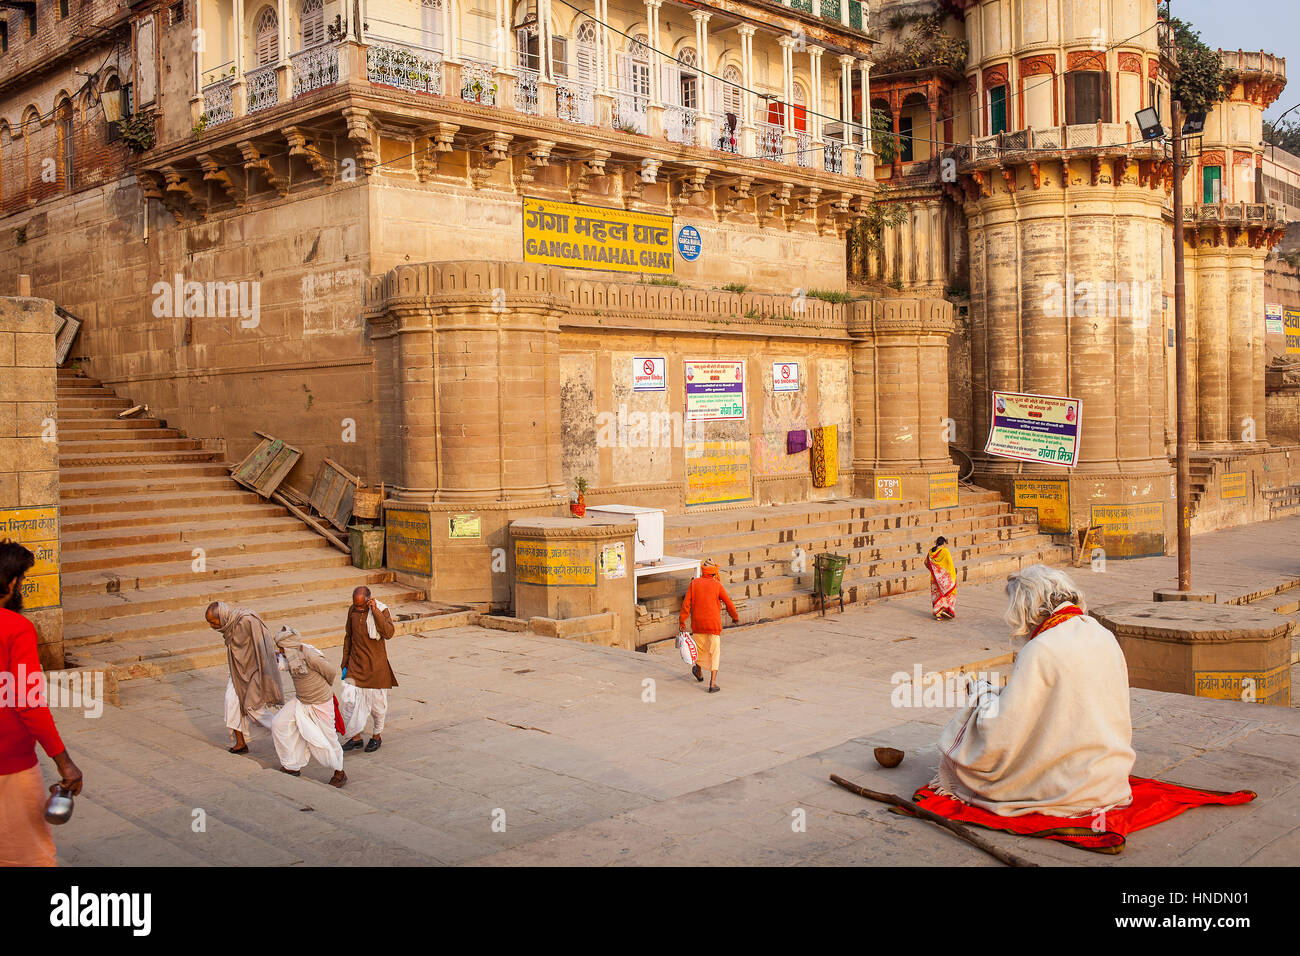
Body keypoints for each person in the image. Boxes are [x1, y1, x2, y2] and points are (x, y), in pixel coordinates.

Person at [933, 564, 1136, 817]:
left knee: (974, 721)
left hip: (1068, 785)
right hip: (1111, 777)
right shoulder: (1101, 632)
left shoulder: (1041, 648)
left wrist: (982, 694)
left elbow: (1003, 727)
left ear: (1025, 606)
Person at [0, 541, 83, 867]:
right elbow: (29, 703)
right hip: (9, 765)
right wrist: (65, 764)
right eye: (22, 580)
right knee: (31, 858)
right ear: (9, 583)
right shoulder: (15, 628)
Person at [270, 627, 346, 787]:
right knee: (279, 724)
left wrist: (319, 688)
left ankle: (340, 772)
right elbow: (284, 665)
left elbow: (330, 673)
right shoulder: (290, 655)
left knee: (328, 738)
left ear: (289, 647)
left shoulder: (311, 655)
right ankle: (291, 766)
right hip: (301, 701)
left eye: (282, 649)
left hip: (320, 702)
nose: (281, 651)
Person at [205, 601, 284, 754]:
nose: (212, 626)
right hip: (237, 670)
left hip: (256, 670)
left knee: (253, 708)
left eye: (213, 622)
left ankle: (286, 732)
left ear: (221, 617)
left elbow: (263, 642)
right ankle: (240, 743)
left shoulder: (247, 620)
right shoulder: (228, 626)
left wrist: (265, 671)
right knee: (231, 703)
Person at [339, 586, 397, 753]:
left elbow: (389, 632)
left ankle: (376, 736)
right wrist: (345, 661)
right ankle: (355, 738)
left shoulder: (381, 609)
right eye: (355, 605)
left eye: (360, 606)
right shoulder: (352, 611)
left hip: (375, 666)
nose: (357, 608)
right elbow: (348, 636)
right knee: (348, 702)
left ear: (369, 600)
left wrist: (375, 611)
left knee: (377, 706)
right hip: (355, 664)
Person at [679, 560, 739, 693]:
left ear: (702, 571)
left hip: (698, 624)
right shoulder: (717, 585)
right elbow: (729, 604)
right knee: (714, 653)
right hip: (713, 626)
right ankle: (712, 683)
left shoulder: (694, 583)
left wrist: (682, 622)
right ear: (714, 572)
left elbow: (686, 604)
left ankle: (699, 673)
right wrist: (735, 617)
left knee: (699, 650)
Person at [924, 536, 957, 620]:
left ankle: (938, 613)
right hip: (945, 579)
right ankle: (946, 610)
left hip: (935, 578)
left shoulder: (930, 552)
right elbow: (949, 565)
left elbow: (926, 563)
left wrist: (934, 571)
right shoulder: (945, 551)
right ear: (943, 543)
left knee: (937, 594)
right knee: (949, 593)